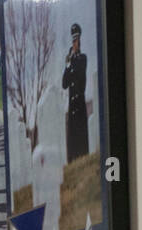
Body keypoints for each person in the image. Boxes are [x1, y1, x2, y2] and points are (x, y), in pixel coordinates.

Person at [63, 22, 89, 163]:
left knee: (81, 137)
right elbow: (64, 84)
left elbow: (80, 76)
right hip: (72, 104)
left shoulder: (82, 58)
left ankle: (82, 158)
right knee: (72, 139)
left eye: (76, 40)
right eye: (73, 40)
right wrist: (67, 65)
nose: (75, 43)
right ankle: (72, 160)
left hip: (80, 102)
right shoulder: (70, 61)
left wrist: (74, 58)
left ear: (80, 41)